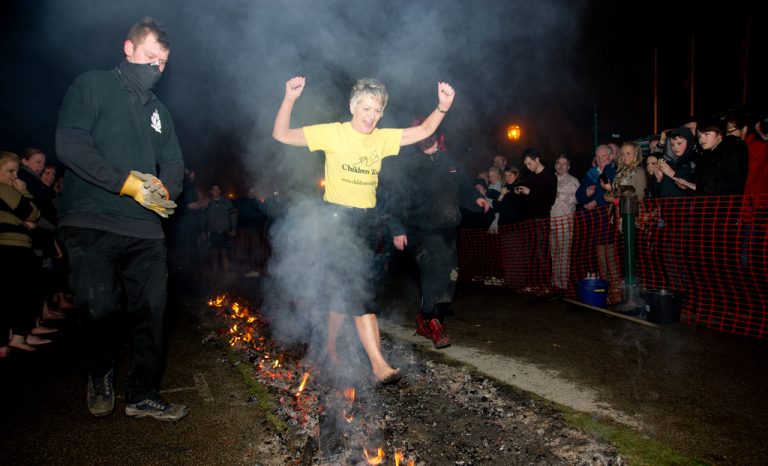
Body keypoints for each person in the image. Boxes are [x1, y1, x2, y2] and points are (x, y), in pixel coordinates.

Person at [272, 75, 455, 385]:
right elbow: (281, 134)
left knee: (345, 292)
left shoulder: (381, 139)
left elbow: (424, 131)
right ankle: (378, 365)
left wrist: (442, 107)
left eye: (378, 110)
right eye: (367, 108)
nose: (372, 116)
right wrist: (290, 98)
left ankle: (328, 348)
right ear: (353, 107)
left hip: (367, 224)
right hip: (337, 221)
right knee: (361, 292)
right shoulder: (333, 134)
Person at [55, 18, 187, 421]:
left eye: (162, 63)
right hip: (91, 219)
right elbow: (69, 143)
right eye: (150, 58)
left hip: (145, 228)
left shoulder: (160, 112)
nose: (156, 69)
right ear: (128, 49)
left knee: (152, 309)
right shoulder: (92, 85)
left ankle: (143, 393)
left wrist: (166, 190)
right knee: (100, 308)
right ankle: (99, 373)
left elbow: (175, 162)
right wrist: (124, 183)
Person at [378, 122, 489, 348]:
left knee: (449, 277)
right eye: (421, 134)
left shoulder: (453, 165)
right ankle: (436, 324)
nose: (426, 137)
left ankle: (424, 316)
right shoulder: (409, 167)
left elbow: (466, 191)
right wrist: (397, 229)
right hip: (422, 233)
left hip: (449, 232)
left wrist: (476, 200)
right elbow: (395, 201)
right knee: (436, 272)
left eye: (430, 133)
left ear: (439, 136)